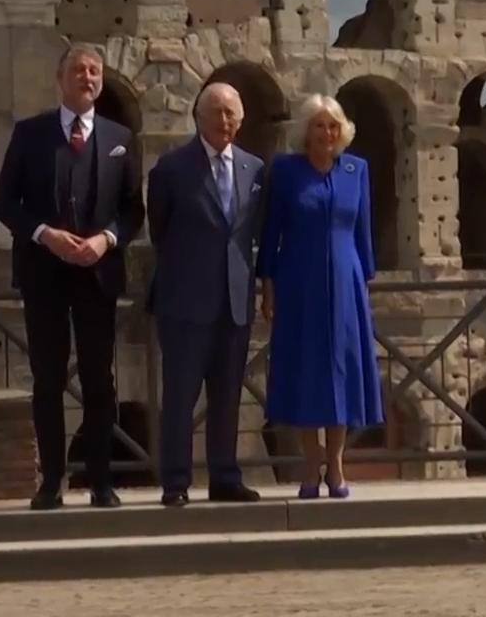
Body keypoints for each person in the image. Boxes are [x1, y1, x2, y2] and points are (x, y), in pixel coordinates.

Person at [0, 43, 146, 510]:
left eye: (95, 71)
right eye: (78, 70)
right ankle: (52, 480)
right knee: (47, 380)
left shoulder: (121, 137)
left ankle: (101, 482)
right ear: (60, 80)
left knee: (101, 380)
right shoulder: (30, 134)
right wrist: (44, 234)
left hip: (97, 275)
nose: (88, 77)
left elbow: (132, 209)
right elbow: (5, 202)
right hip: (45, 274)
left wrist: (106, 241)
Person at [256, 93, 383, 499]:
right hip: (299, 282)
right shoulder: (287, 171)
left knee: (343, 374)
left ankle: (338, 467)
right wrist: (268, 285)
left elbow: (364, 235)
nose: (326, 132)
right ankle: (310, 466)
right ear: (305, 131)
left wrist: (366, 286)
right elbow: (271, 233)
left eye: (332, 125)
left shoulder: (356, 169)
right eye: (318, 125)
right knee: (306, 373)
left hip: (346, 283)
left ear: (341, 130)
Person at [146, 82, 265, 507]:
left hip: (234, 302)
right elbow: (159, 229)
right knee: (179, 396)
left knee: (228, 396)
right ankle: (176, 482)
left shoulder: (254, 169)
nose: (225, 121)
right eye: (217, 113)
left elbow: (251, 233)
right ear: (199, 117)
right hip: (184, 301)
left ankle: (225, 477)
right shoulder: (172, 169)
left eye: (232, 113)